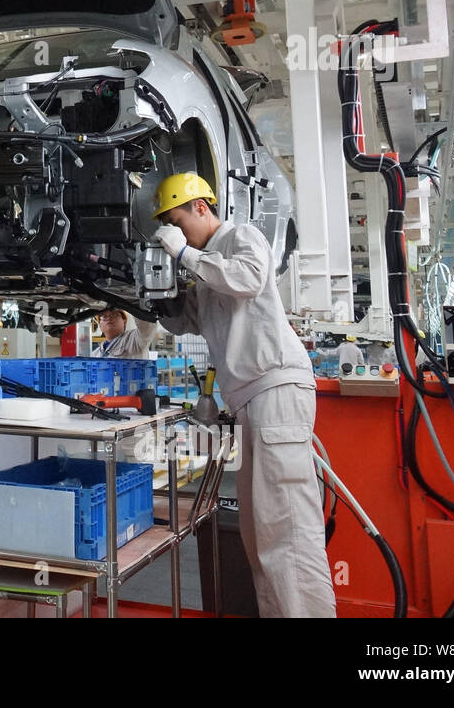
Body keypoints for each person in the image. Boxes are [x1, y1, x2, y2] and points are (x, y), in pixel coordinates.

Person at [150, 172, 335, 618]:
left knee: (287, 532)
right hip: (250, 400)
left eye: (178, 222)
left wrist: (183, 252)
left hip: (276, 390)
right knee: (261, 535)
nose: (176, 234)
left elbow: (249, 279)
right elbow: (185, 322)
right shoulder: (203, 265)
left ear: (200, 207)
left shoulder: (240, 237)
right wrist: (159, 292)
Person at [92, 308, 158, 359]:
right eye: (104, 316)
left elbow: (147, 325)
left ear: (124, 321)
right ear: (100, 325)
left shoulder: (134, 340)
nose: (109, 318)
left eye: (114, 315)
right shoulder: (95, 354)